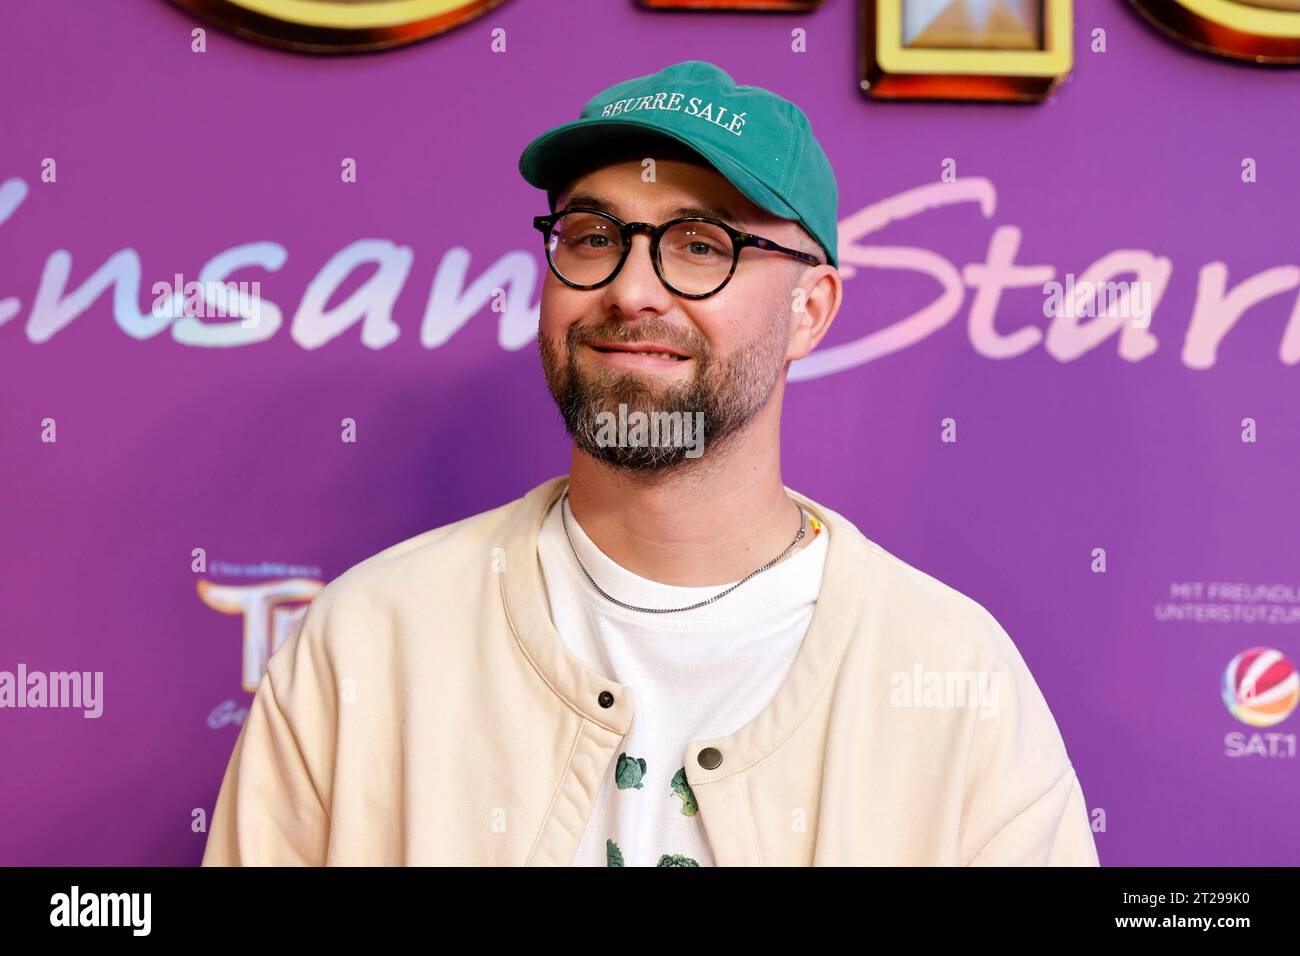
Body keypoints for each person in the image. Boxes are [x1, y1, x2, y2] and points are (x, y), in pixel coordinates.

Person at [201, 59, 1099, 867]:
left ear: (810, 310)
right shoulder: (369, 638)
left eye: (702, 244)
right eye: (593, 236)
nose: (632, 289)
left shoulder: (953, 675)